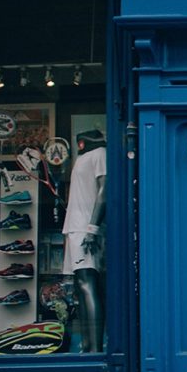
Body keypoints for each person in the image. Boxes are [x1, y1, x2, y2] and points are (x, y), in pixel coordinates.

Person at [62, 129, 107, 352]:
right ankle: (88, 344)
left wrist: (92, 227)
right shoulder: (84, 158)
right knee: (80, 286)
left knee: (87, 283)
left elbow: (104, 190)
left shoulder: (100, 153)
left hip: (84, 227)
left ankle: (96, 348)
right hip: (74, 226)